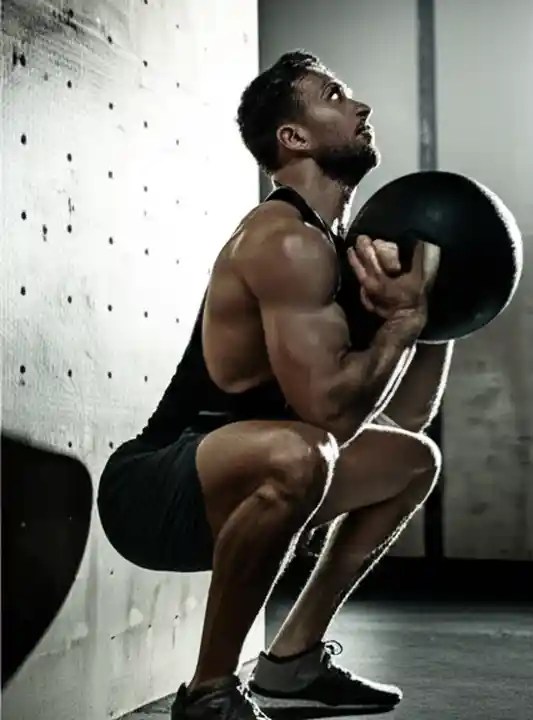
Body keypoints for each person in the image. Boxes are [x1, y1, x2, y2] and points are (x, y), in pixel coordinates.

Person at [97, 51, 454, 720]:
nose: (360, 106)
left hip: (240, 475)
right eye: (335, 95)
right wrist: (400, 324)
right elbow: (329, 415)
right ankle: (208, 694)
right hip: (153, 489)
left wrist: (439, 317)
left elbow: (405, 417)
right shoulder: (284, 240)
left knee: (411, 463)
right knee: (303, 451)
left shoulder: (340, 251)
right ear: (292, 137)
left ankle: (291, 663)